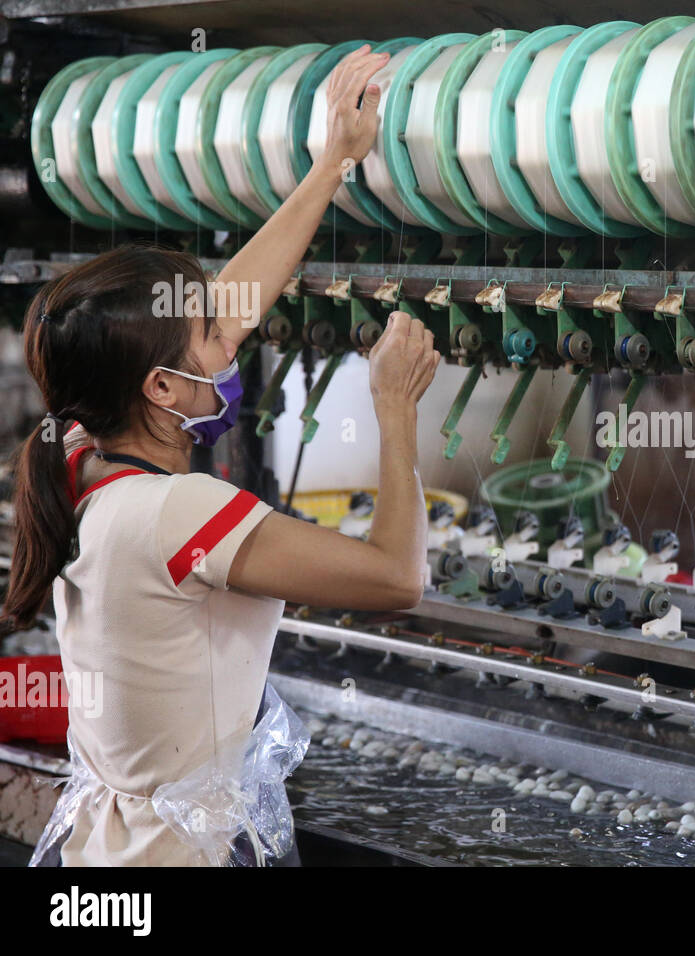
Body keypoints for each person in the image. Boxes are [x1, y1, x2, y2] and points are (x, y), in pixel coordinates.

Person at [0, 45, 441, 865]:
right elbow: (395, 579)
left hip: (105, 857)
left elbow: (233, 307)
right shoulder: (178, 512)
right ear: (163, 390)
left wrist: (331, 164)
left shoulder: (80, 458)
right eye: (207, 336)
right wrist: (394, 409)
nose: (230, 338)